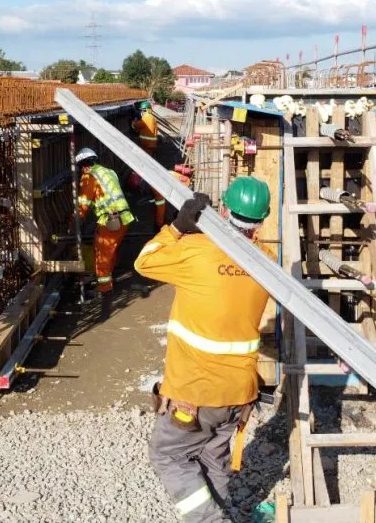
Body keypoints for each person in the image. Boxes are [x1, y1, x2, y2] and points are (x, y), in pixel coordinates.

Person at [134, 177, 274, 522]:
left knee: (167, 456)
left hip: (194, 392)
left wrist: (178, 227)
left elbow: (144, 262)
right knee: (213, 458)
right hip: (238, 392)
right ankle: (227, 511)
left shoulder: (195, 251)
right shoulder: (267, 262)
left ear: (223, 210)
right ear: (263, 218)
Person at [75, 147, 135, 294]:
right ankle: (107, 276)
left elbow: (83, 203)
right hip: (124, 217)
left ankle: (104, 287)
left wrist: (75, 219)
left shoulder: (89, 176)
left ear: (82, 166)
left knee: (103, 254)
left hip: (111, 219)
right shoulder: (108, 172)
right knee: (110, 250)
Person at [131, 100, 166, 232]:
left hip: (146, 146)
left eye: (141, 110)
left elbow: (135, 126)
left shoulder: (146, 117)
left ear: (143, 110)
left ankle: (142, 186)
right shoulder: (152, 117)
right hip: (150, 146)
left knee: (144, 167)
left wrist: (134, 119)